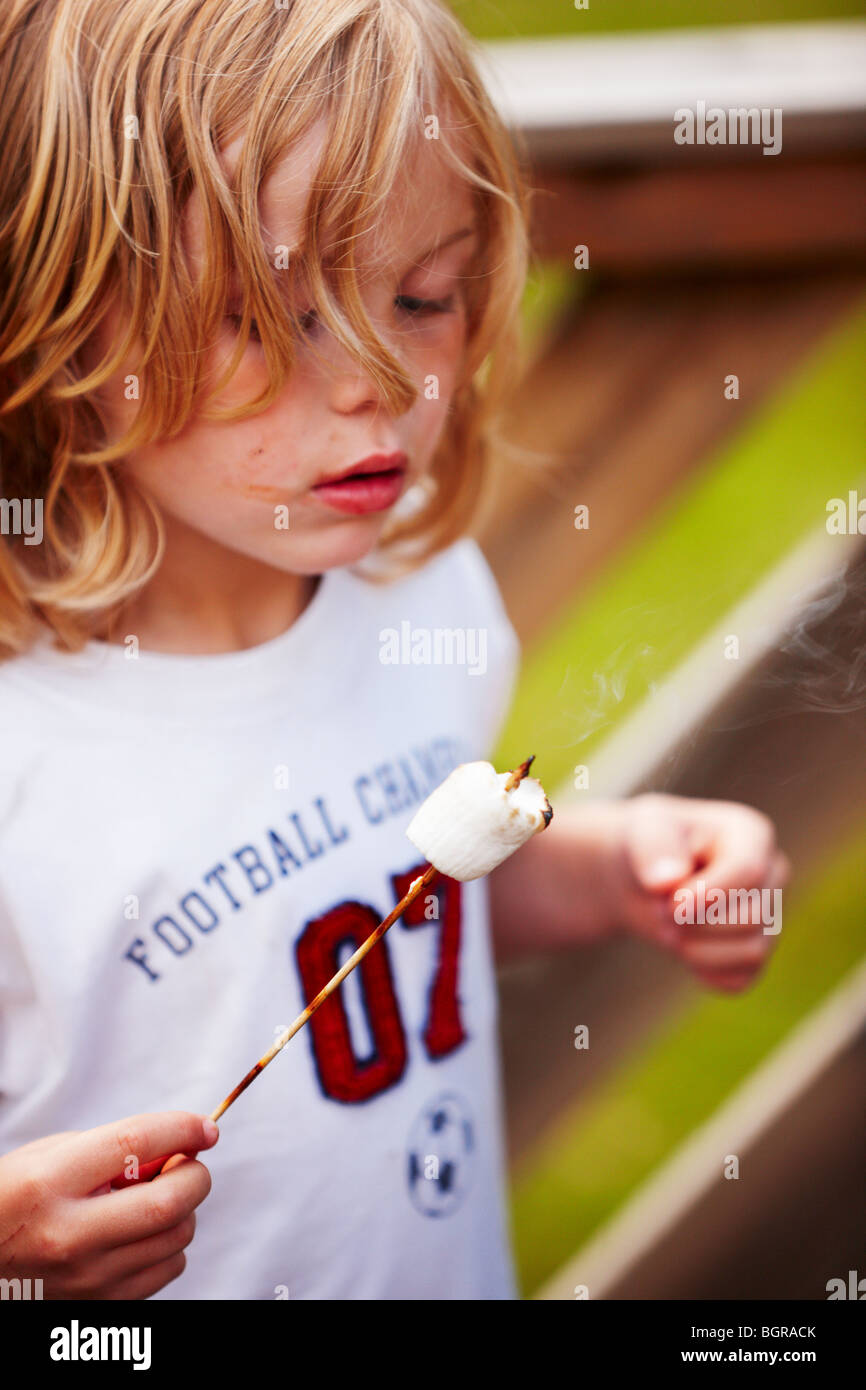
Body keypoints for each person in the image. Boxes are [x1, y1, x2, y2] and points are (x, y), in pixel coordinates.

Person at [0, 0, 787, 1300]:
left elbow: (381, 902)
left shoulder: (415, 586)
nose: (379, 382)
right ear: (57, 315)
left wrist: (611, 867)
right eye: (265, 315)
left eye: (423, 297)